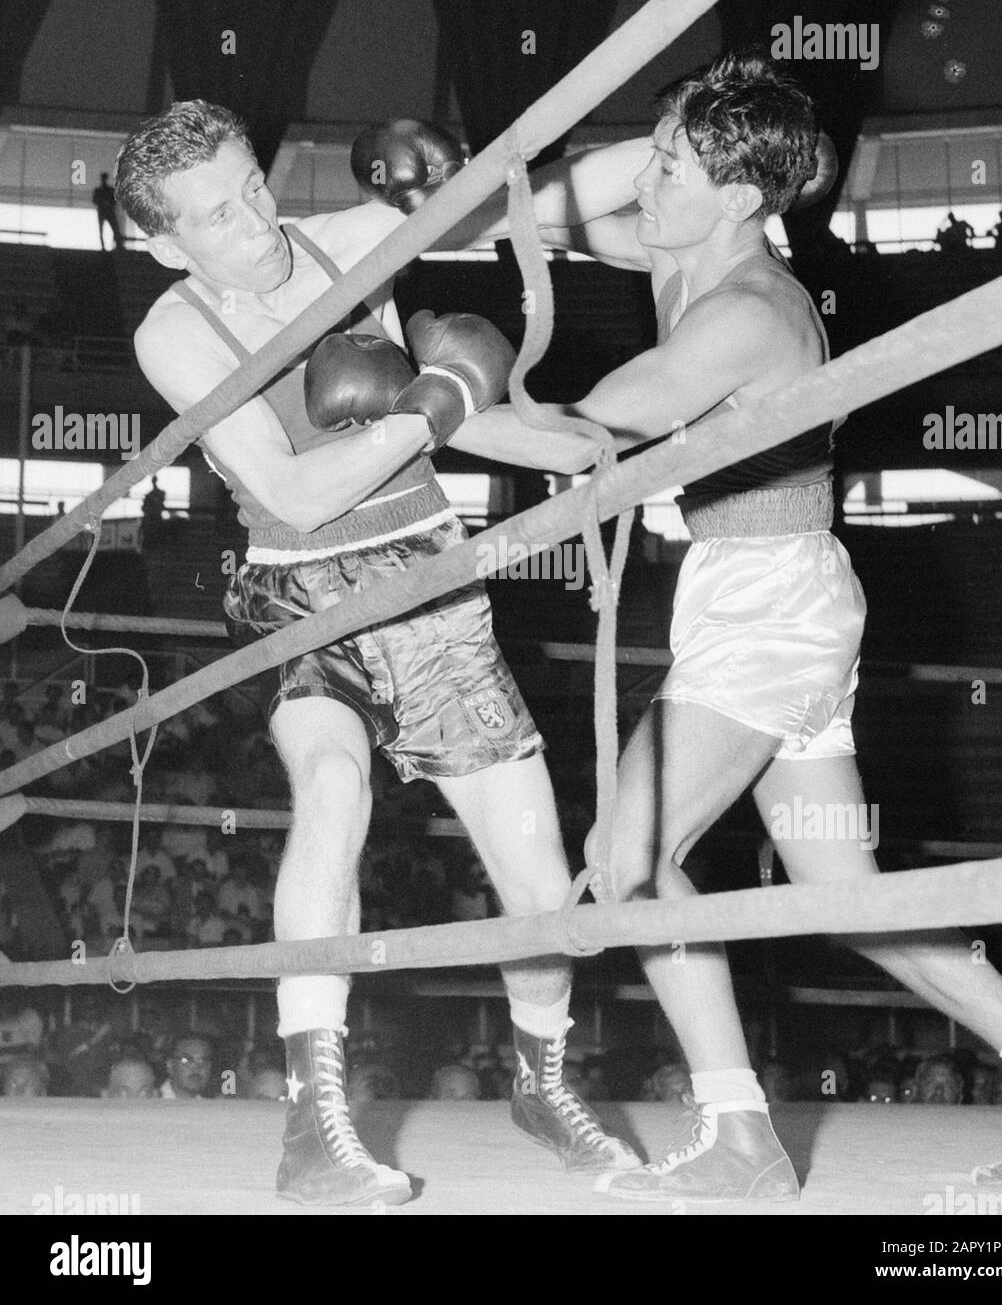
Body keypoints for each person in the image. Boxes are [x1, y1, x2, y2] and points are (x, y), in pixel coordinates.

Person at [450, 49, 1002, 1201]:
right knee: (848, 897)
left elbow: (586, 433)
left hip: (767, 606)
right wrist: (682, 126)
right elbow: (540, 215)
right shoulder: (679, 242)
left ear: (736, 198)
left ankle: (739, 1131)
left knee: (625, 862)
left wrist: (420, 406)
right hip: (769, 593)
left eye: (672, 162)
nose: (650, 175)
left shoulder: (747, 310)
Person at [115, 100, 640, 1207]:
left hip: (430, 579)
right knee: (334, 787)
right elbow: (300, 490)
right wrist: (439, 401)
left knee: (541, 889)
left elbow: (523, 202)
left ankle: (541, 1080)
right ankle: (316, 1127)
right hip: (298, 593)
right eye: (217, 216)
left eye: (256, 183)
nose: (256, 221)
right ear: (167, 243)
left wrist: (691, 141)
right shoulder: (174, 330)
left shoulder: (348, 241)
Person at [160, 1033, 213, 1099]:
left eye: (203, 1060)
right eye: (186, 1060)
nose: (197, 1067)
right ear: (170, 1065)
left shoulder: (211, 1107)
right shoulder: (152, 1101)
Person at [92, 172, 125, 250]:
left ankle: (109, 246)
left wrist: (104, 203)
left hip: (105, 212)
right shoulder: (106, 190)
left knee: (110, 229)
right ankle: (115, 245)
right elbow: (95, 201)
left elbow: (95, 201)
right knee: (112, 229)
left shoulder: (102, 191)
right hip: (106, 212)